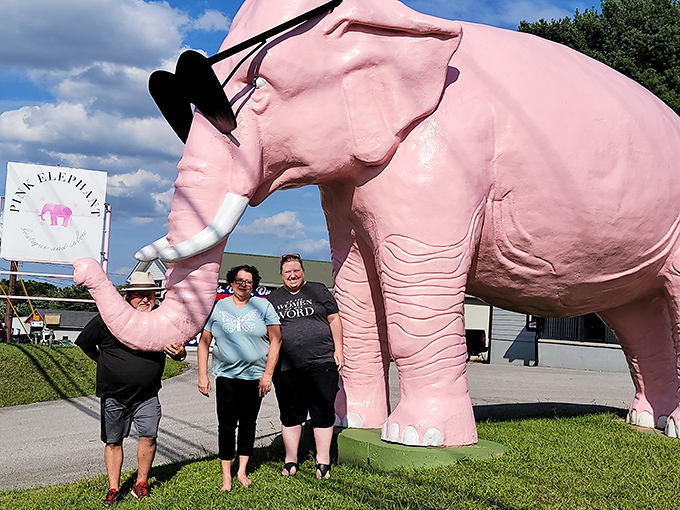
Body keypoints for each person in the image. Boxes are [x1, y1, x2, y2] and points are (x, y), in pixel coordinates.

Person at [76, 271, 186, 507]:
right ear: (128, 297)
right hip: (114, 395)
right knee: (113, 441)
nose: (145, 300)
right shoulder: (108, 318)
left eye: (149, 295)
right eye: (139, 296)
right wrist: (102, 361)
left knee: (148, 436)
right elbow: (84, 343)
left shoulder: (161, 320)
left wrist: (181, 354)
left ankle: (142, 482)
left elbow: (178, 349)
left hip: (147, 395)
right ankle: (114, 488)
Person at [197, 265, 282, 492]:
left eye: (248, 281)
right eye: (239, 280)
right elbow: (204, 342)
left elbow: (276, 340)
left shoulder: (263, 306)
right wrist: (202, 374)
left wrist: (268, 374)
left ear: (254, 285)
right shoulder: (218, 307)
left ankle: (242, 470)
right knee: (226, 426)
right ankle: (227, 475)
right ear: (231, 282)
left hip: (255, 377)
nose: (243, 284)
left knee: (248, 423)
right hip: (226, 376)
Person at [267, 253, 344, 479]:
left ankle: (323, 461)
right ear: (281, 275)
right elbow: (267, 333)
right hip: (286, 367)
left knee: (322, 411)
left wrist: (338, 350)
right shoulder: (272, 299)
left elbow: (334, 319)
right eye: (287, 272)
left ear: (303, 272)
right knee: (291, 414)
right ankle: (291, 460)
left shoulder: (319, 290)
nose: (292, 275)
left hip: (321, 362)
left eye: (296, 271)